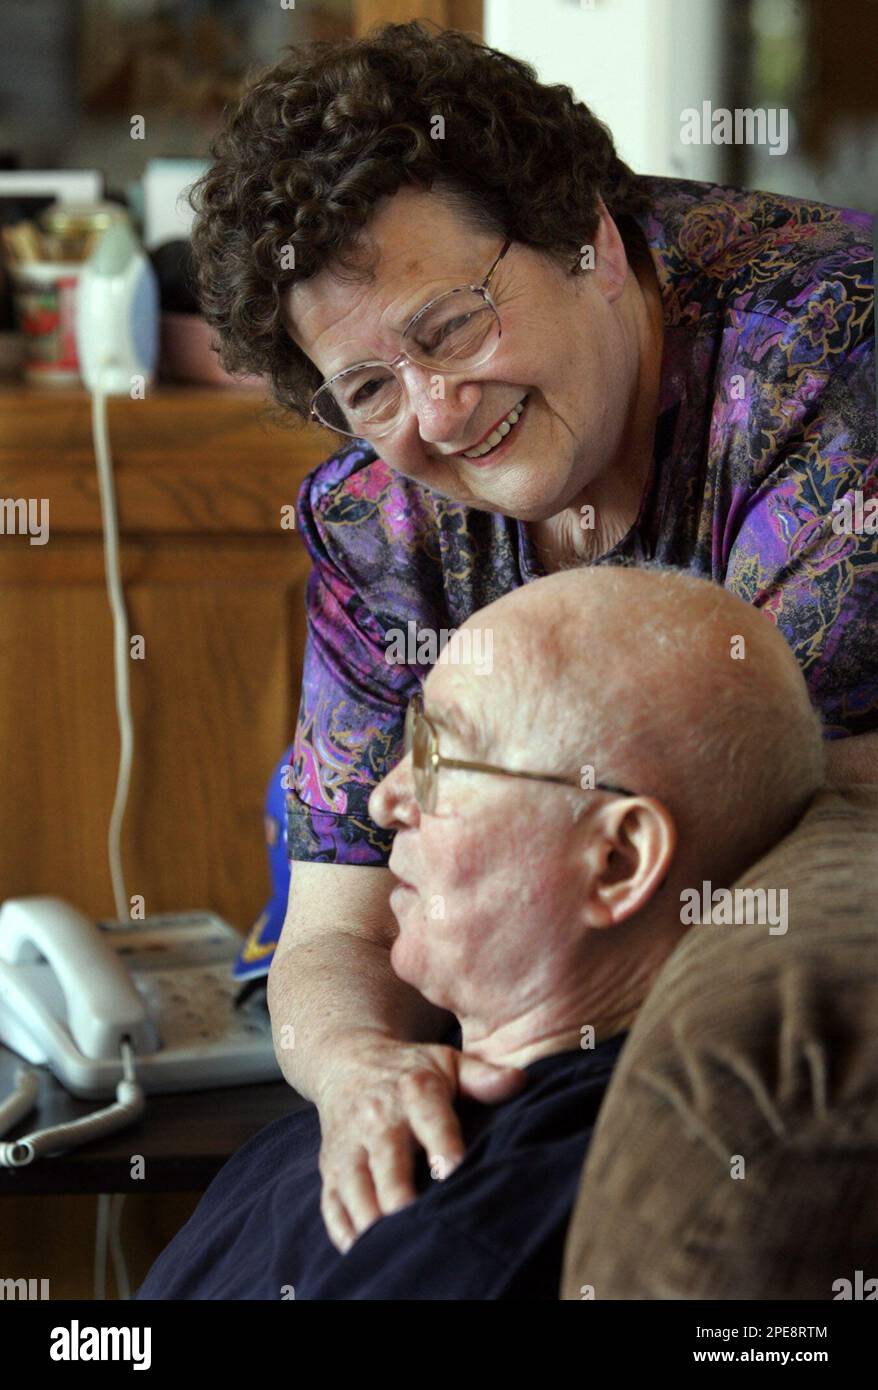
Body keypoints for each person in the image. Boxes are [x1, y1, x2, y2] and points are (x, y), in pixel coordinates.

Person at [186, 21, 876, 1252]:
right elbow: (334, 920)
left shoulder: (827, 370)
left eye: (450, 327)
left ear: (592, 244)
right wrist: (355, 1070)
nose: (435, 413)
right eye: (368, 387)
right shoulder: (376, 507)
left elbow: (769, 811)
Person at [136, 565, 825, 1299]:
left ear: (616, 861)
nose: (382, 800)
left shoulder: (492, 1222)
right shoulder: (374, 1109)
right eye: (410, 741)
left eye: (440, 756)